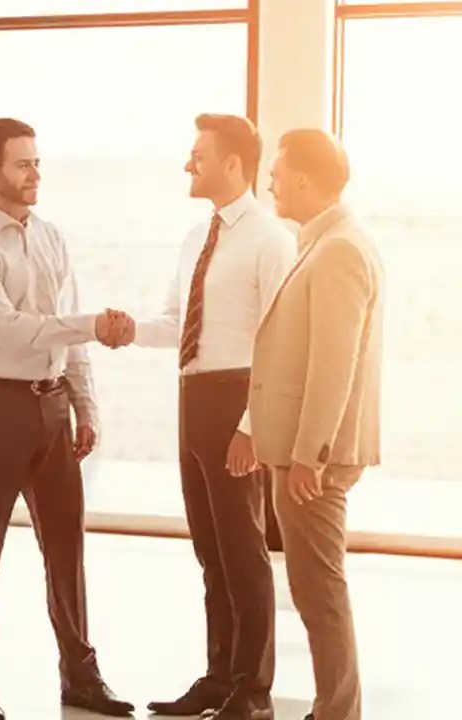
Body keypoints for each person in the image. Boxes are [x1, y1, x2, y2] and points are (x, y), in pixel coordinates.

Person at [0, 117, 135, 719]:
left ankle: (80, 675)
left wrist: (84, 405)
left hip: (51, 407)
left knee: (66, 546)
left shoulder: (50, 238)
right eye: (22, 164)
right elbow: (10, 329)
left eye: (37, 163)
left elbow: (65, 331)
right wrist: (91, 325)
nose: (34, 174)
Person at [126, 114, 296, 719]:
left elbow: (280, 342)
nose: (188, 164)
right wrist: (126, 329)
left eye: (198, 156)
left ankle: (253, 691)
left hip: (237, 402)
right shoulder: (195, 238)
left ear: (232, 164)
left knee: (244, 553)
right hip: (192, 399)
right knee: (210, 552)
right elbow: (176, 324)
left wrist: (251, 427)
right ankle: (219, 677)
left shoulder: (271, 240)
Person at [234, 128, 384, 720]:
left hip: (315, 456)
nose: (269, 181)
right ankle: (334, 709)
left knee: (319, 590)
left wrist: (308, 456)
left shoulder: (340, 249)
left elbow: (333, 365)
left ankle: (337, 713)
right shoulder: (324, 242)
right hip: (300, 449)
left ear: (301, 178)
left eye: (275, 172)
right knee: (313, 586)